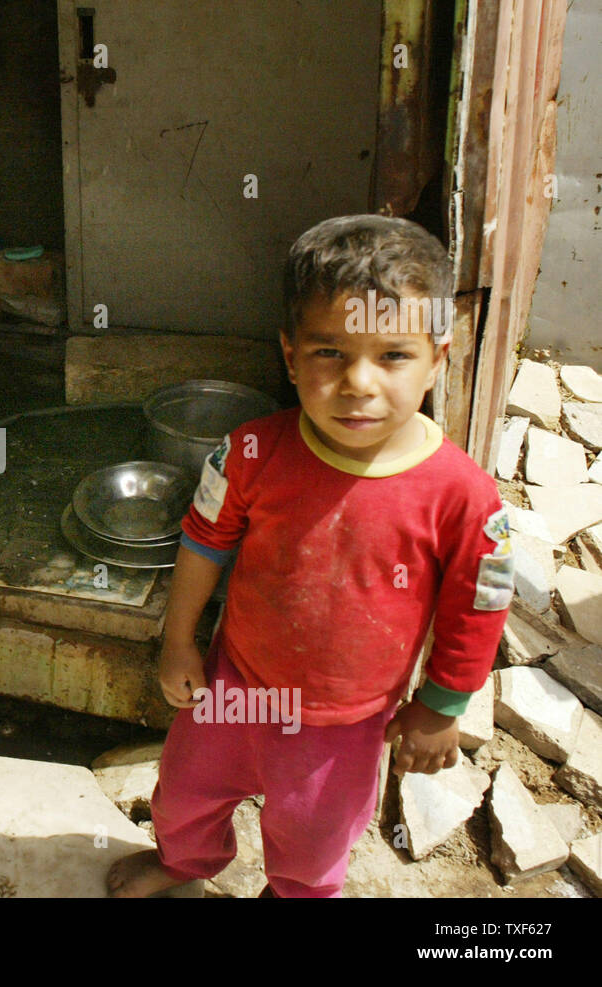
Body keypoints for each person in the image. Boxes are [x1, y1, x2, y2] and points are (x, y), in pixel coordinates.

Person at [108, 215, 513, 898]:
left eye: (393, 355)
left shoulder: (464, 496)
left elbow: (478, 605)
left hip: (345, 724)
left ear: (438, 359)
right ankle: (184, 862)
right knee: (183, 796)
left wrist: (442, 708)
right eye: (330, 352)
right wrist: (179, 641)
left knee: (314, 841)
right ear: (291, 356)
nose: (359, 382)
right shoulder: (250, 452)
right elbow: (204, 541)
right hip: (235, 685)